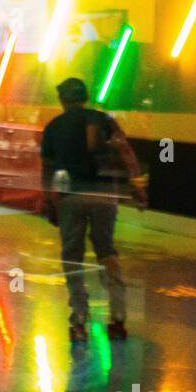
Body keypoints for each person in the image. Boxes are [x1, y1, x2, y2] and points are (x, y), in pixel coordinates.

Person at [40, 77, 147, 341]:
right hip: (104, 196)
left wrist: (48, 200)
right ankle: (118, 318)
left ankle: (79, 320)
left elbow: (47, 168)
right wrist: (137, 185)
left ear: (62, 99)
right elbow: (126, 152)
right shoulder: (104, 120)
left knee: (73, 256)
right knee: (106, 251)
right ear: (85, 97)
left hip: (71, 196)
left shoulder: (53, 127)